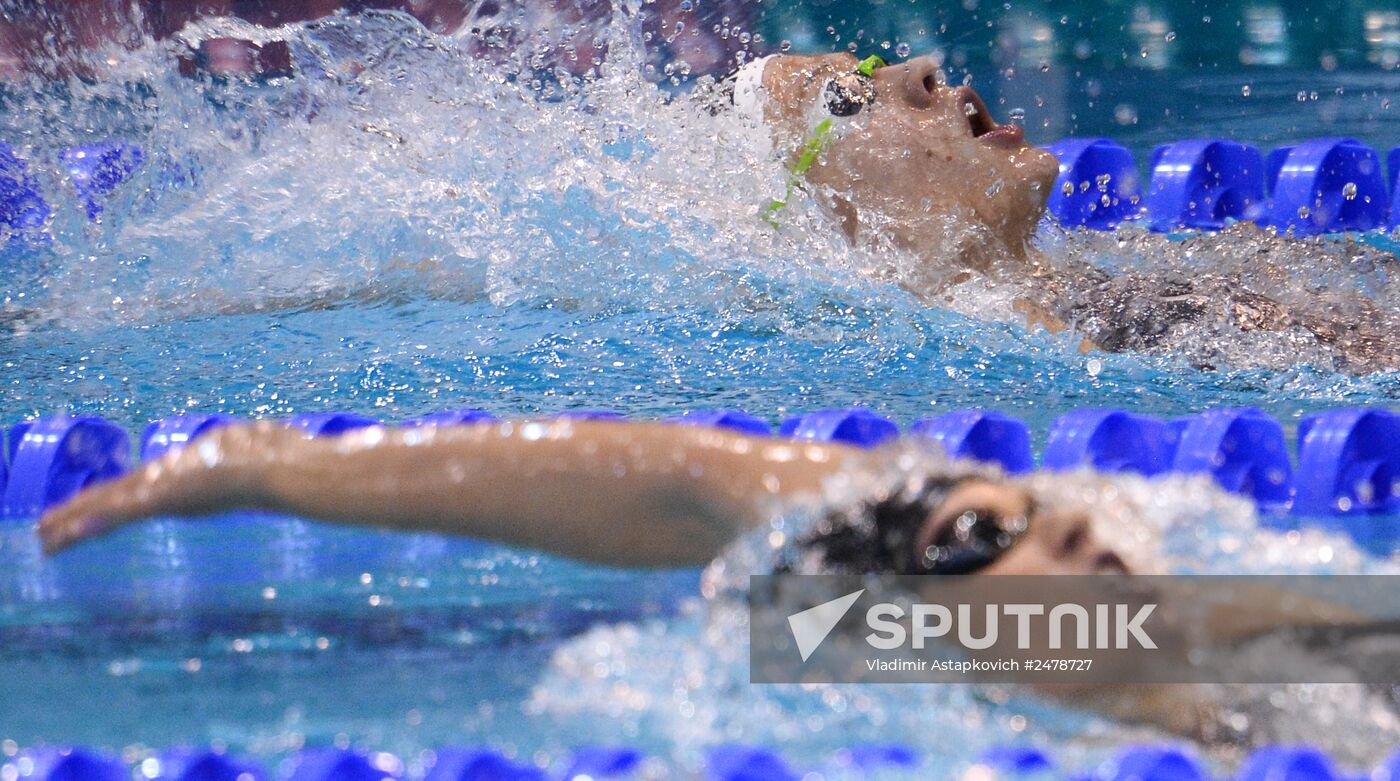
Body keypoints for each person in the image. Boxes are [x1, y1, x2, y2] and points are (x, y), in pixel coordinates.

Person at [37, 416, 1396, 748]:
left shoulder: (1309, 644)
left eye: (1048, 509)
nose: (1082, 537)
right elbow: (704, 498)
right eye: (989, 542)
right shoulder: (866, 699)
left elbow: (710, 478)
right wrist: (273, 472)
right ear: (890, 639)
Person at [724, 52, 1400, 373]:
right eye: (848, 97)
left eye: (873, 63)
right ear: (830, 217)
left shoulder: (1104, 269)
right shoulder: (1004, 344)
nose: (920, 71)